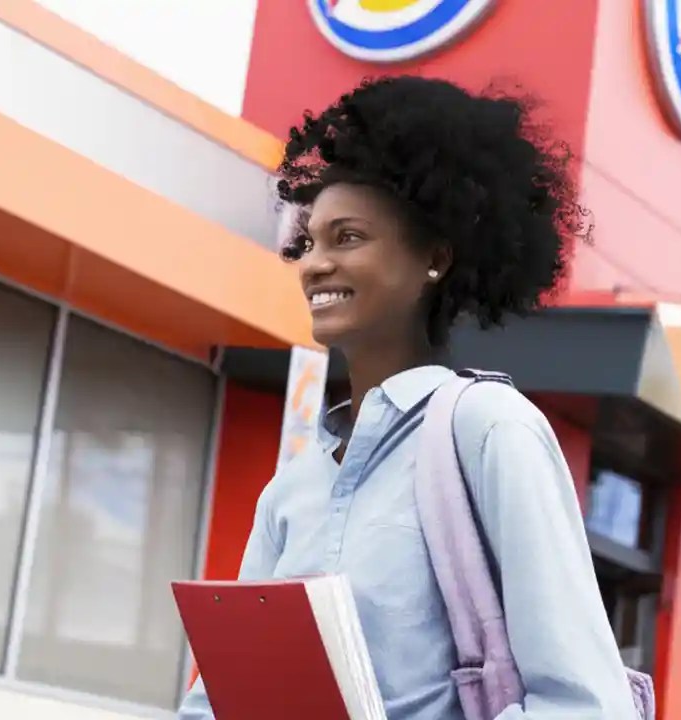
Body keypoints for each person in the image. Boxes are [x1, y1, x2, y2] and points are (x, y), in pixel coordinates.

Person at [177, 75, 637, 719]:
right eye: (309, 242)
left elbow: (585, 705)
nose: (313, 264)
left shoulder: (490, 432)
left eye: (348, 238)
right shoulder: (294, 490)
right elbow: (219, 703)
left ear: (436, 259)